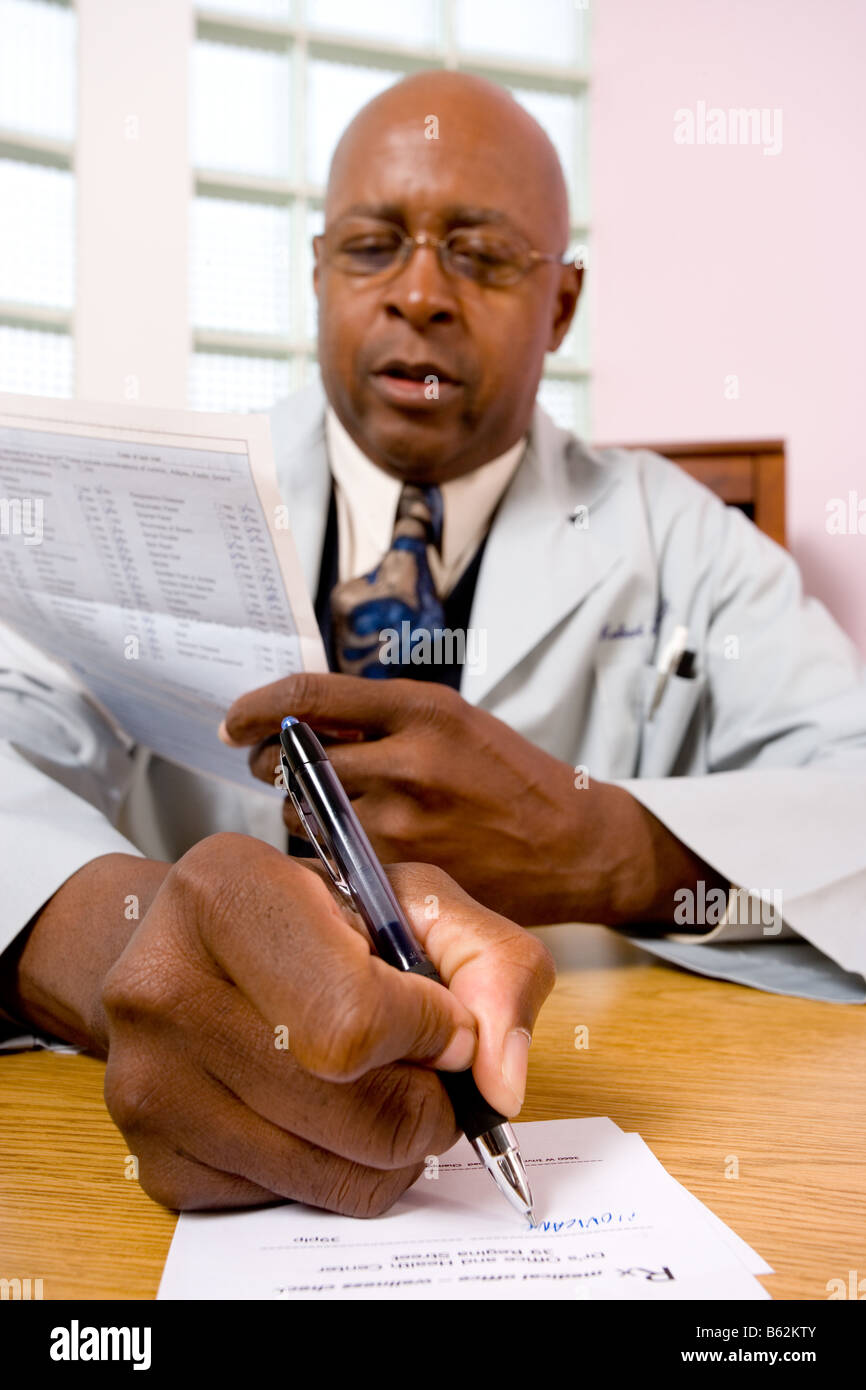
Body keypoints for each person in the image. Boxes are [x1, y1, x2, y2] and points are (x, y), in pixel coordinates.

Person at [0, 71, 864, 1215]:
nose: (420, 292)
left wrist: (603, 845)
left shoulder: (682, 538)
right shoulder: (147, 498)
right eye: (371, 247)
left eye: (483, 254)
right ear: (316, 277)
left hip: (558, 1098)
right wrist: (123, 948)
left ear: (559, 305)